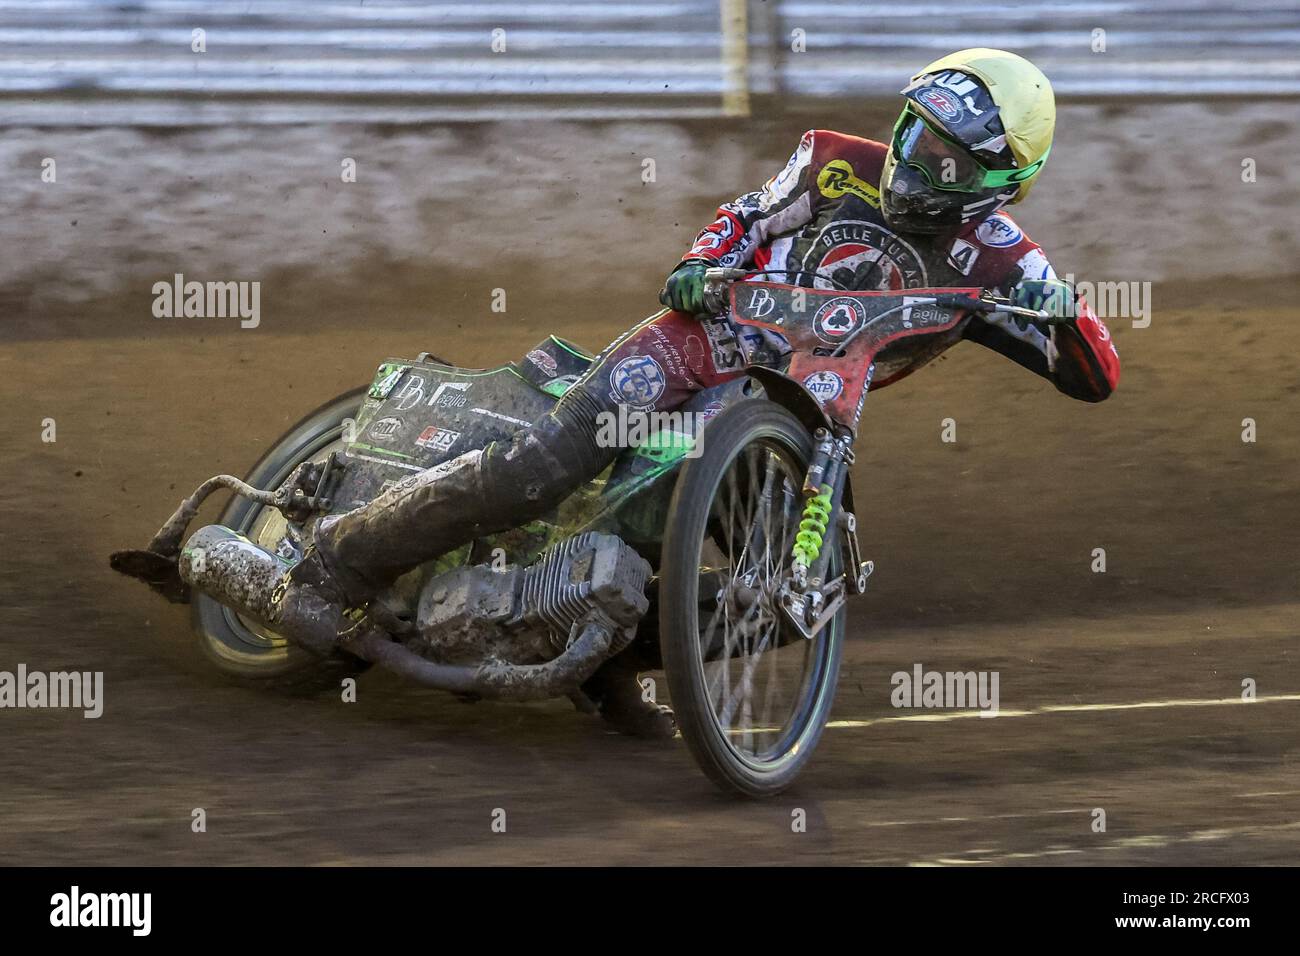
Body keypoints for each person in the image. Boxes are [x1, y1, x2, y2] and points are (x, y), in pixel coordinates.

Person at [279, 48, 1120, 738]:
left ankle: (606, 656)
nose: (914, 155)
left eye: (945, 153)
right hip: (702, 341)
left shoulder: (1008, 262)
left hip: (792, 416)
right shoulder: (834, 161)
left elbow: (1095, 377)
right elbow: (750, 214)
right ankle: (334, 566)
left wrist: (1066, 316)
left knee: (788, 596)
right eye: (915, 127)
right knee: (542, 468)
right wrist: (700, 263)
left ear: (999, 179)